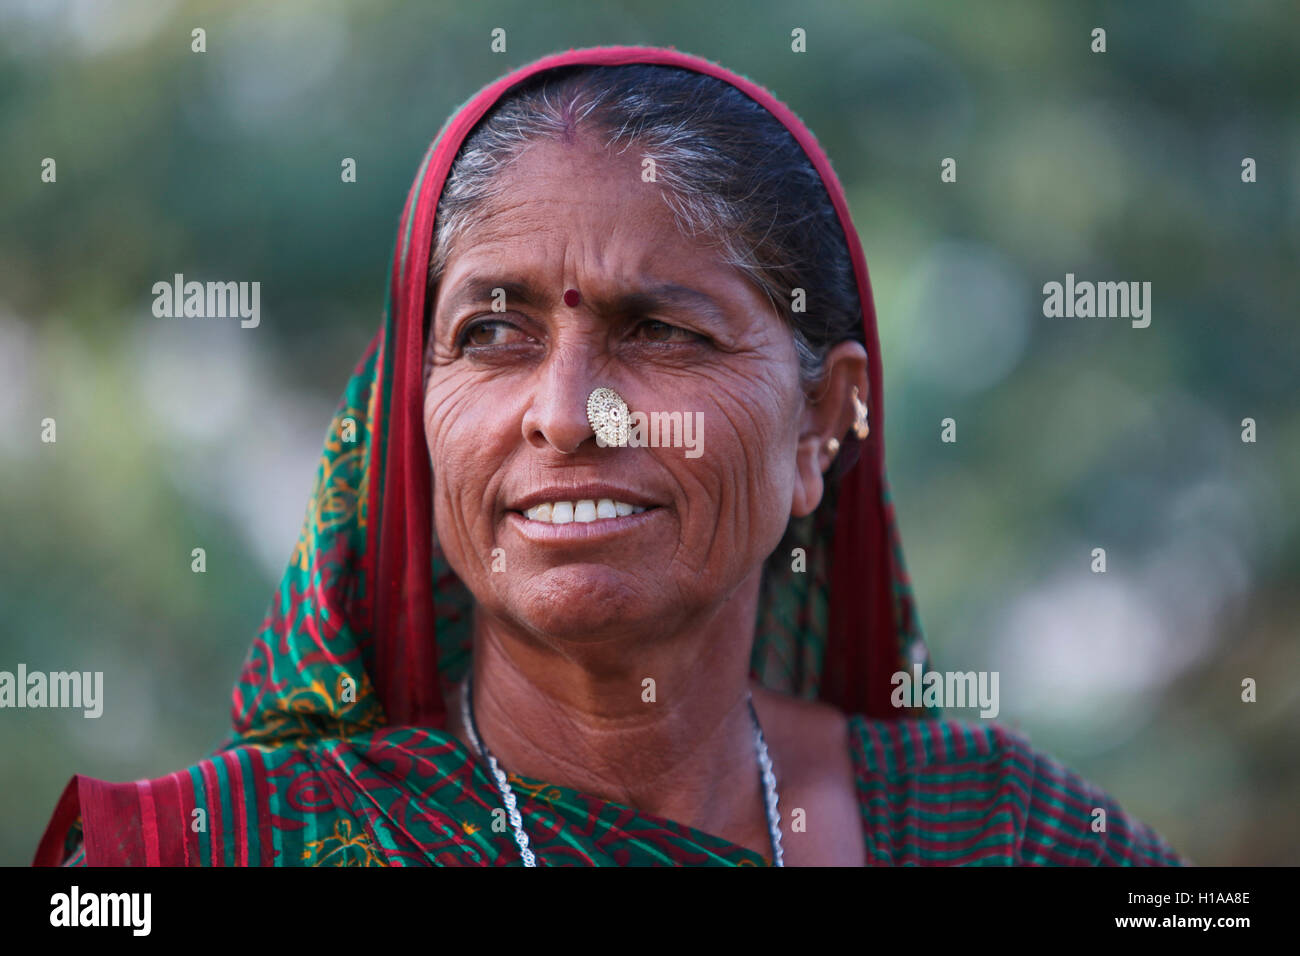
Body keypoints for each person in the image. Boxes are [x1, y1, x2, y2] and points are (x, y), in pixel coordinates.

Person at [35, 45, 1183, 866]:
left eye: (661, 331)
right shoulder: (193, 857)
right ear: (411, 410)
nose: (568, 412)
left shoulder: (994, 830)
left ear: (819, 423)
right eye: (491, 332)